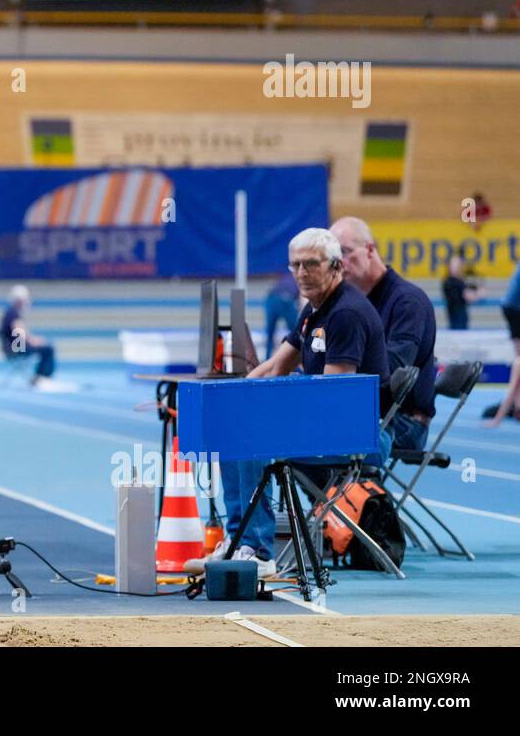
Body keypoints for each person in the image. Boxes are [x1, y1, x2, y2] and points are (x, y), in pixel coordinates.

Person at [189, 229, 390, 577]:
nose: (301, 273)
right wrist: (235, 400)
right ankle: (238, 542)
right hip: (329, 418)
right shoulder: (315, 309)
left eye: (311, 264)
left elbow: (333, 392)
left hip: (356, 432)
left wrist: (262, 409)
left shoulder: (345, 313)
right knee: (233, 427)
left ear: (336, 266)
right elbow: (275, 366)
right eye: (295, 264)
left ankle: (259, 551)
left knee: (255, 438)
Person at [331, 217, 436, 452]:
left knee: (309, 431)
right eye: (333, 259)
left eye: (345, 252)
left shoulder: (408, 302)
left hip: (403, 422)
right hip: (366, 412)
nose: (339, 264)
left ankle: (348, 488)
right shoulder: (348, 302)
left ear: (370, 249)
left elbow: (392, 370)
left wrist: (337, 363)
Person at [0, 285, 64, 390]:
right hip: (17, 350)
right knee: (48, 349)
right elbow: (20, 333)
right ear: (19, 300)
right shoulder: (13, 314)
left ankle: (38, 378)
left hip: (14, 348)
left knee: (44, 347)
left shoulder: (10, 312)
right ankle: (42, 378)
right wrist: (35, 341)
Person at [487, 263, 520, 425]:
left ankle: (514, 407)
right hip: (513, 308)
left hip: (512, 307)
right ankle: (514, 407)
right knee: (518, 363)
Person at [442, 252, 480, 331]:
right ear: (449, 266)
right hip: (455, 316)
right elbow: (467, 296)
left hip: (462, 316)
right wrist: (478, 294)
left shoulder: (461, 281)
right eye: (454, 264)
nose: (456, 267)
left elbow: (468, 293)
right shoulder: (449, 282)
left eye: (458, 264)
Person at [263, 269, 299, 349]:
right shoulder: (298, 278)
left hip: (272, 299)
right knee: (296, 332)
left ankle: (268, 356)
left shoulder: (287, 275)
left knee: (270, 333)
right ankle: (299, 353)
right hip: (284, 299)